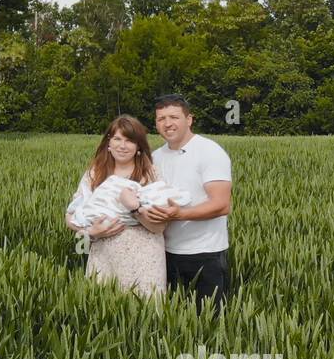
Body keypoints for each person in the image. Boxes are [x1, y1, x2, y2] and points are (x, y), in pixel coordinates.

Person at [142, 94, 233, 311]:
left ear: (189, 119)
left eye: (174, 117)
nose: (167, 123)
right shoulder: (155, 157)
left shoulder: (209, 152)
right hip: (164, 252)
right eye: (161, 118)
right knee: (175, 320)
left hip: (204, 253)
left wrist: (179, 214)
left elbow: (222, 204)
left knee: (209, 321)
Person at [65, 114, 167, 299]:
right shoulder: (94, 174)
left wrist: (134, 208)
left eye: (129, 140)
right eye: (117, 139)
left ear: (138, 147)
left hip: (144, 259)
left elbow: (159, 226)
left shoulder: (151, 175)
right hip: (104, 256)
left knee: (147, 313)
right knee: (106, 315)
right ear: (108, 143)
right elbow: (71, 216)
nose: (122, 145)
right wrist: (91, 232)